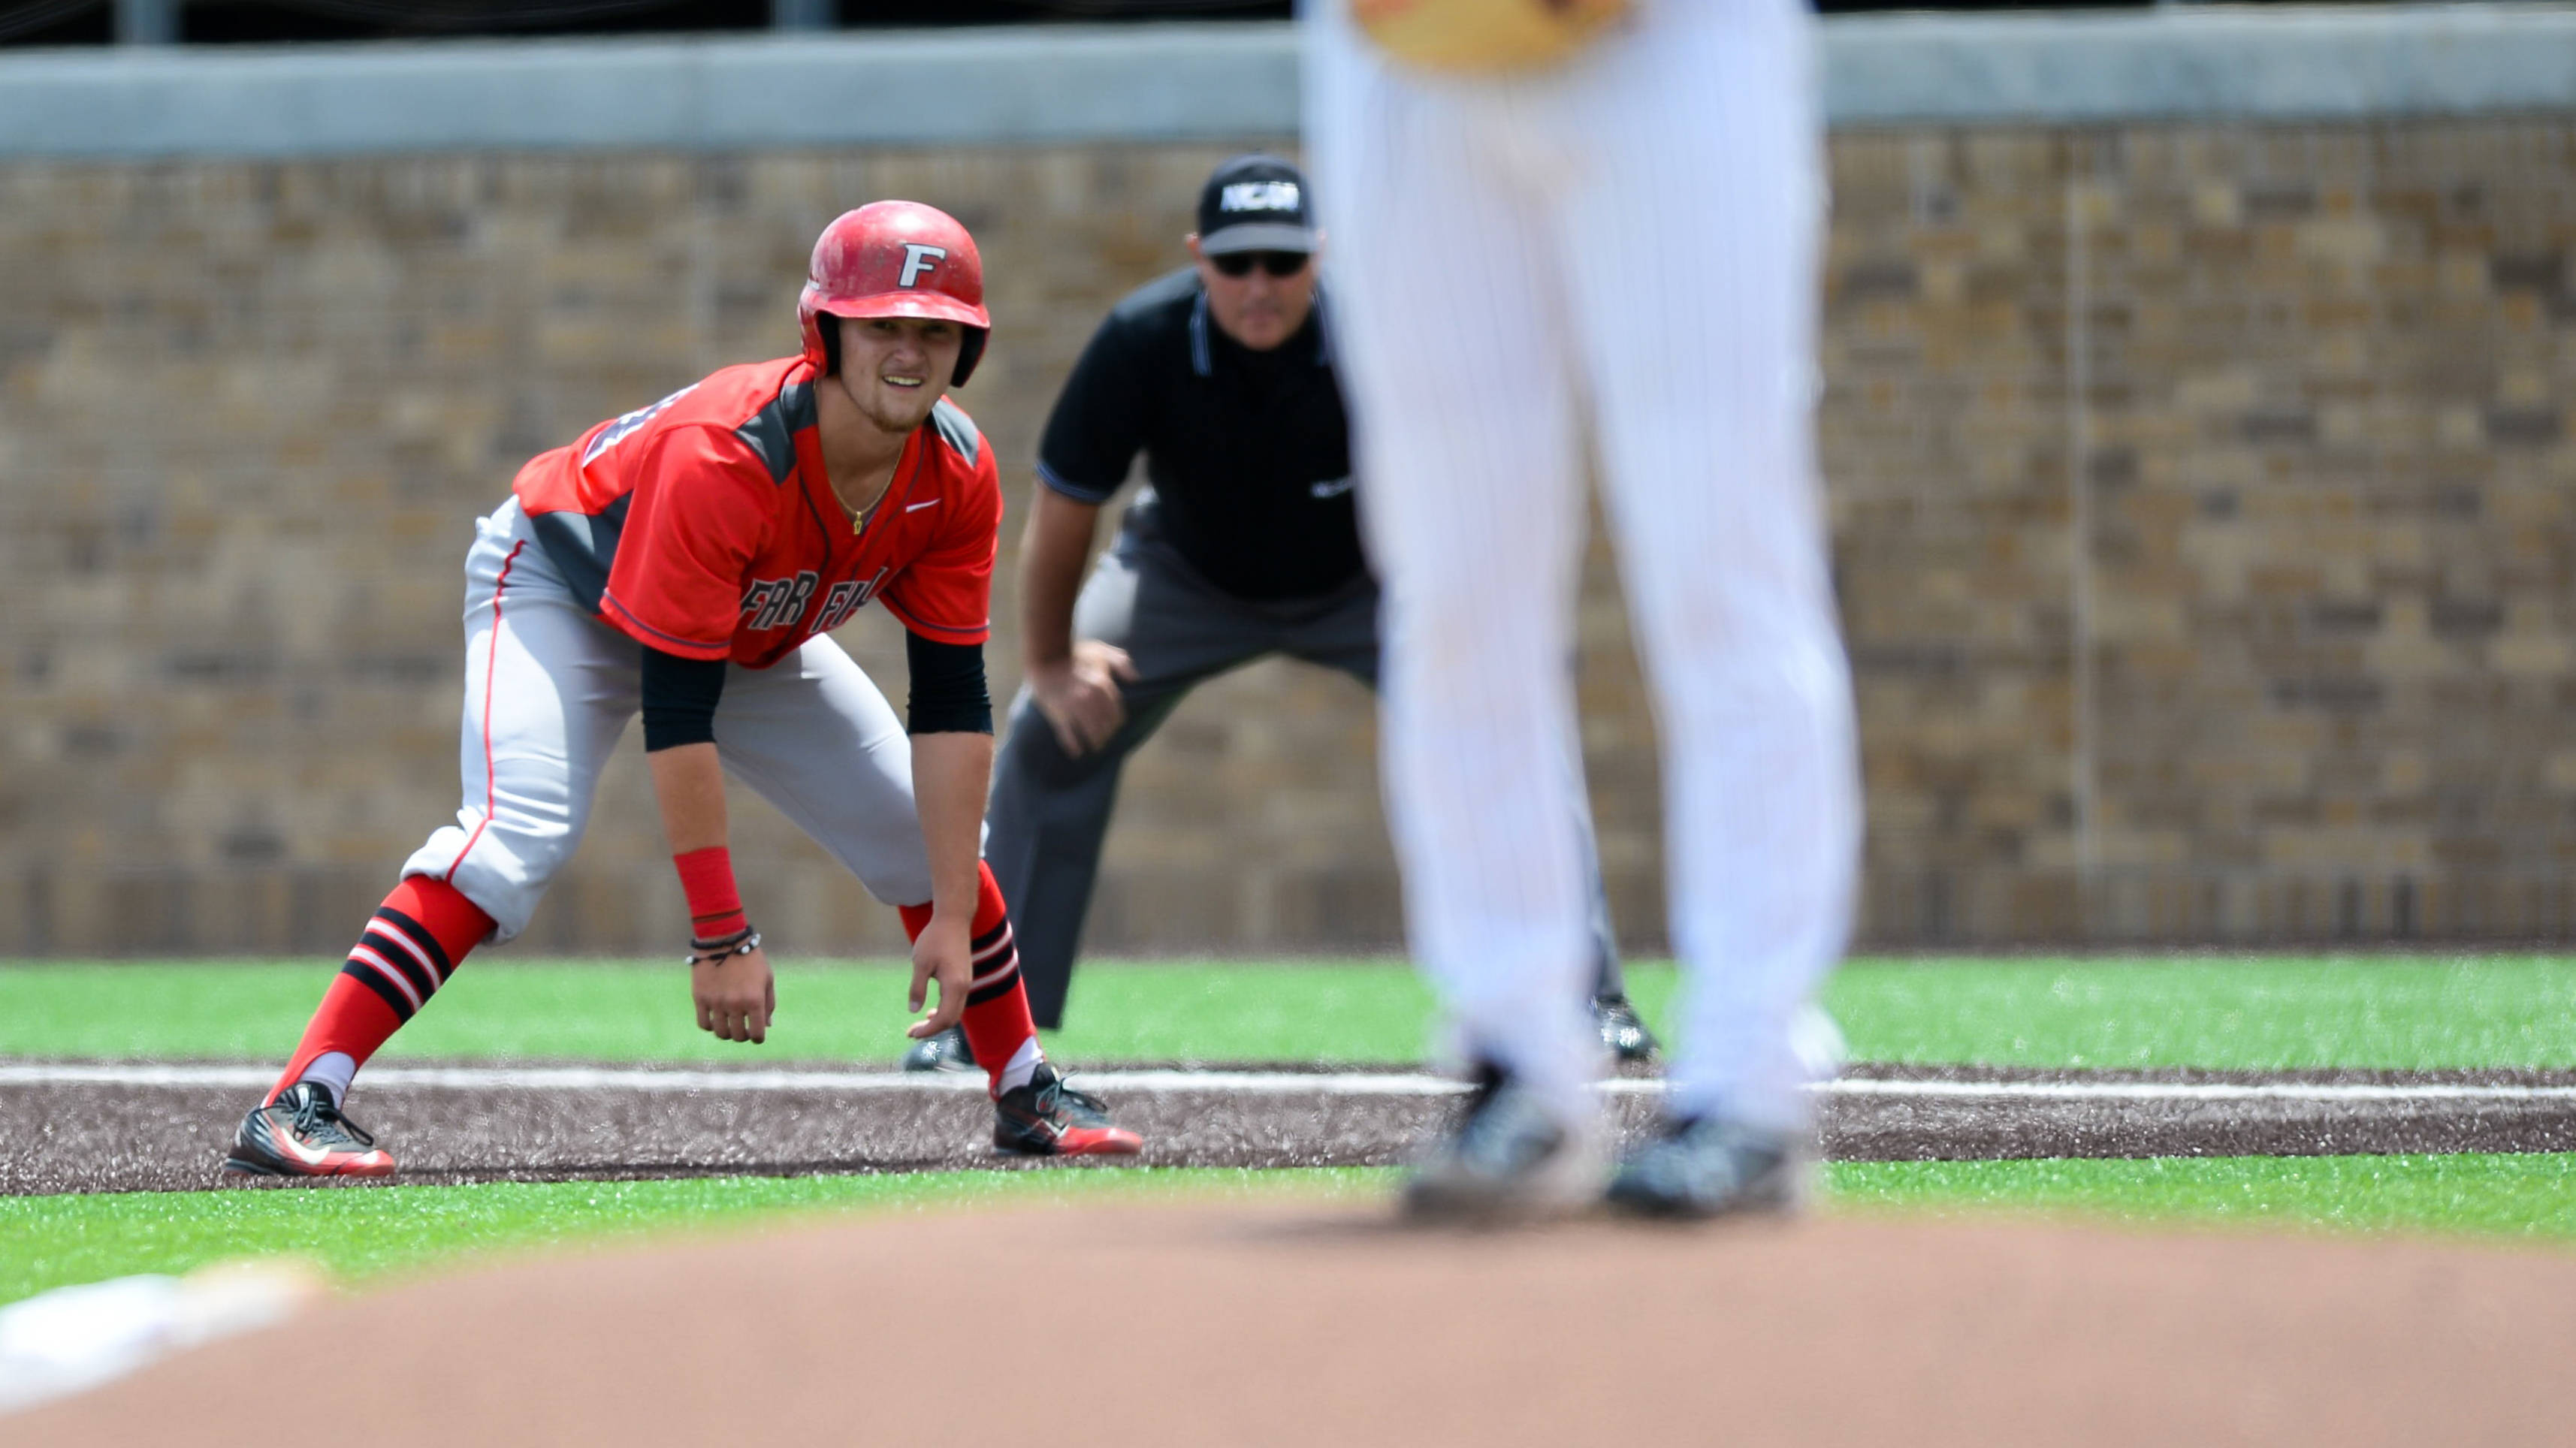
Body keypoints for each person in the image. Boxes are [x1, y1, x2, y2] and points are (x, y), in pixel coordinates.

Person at [221, 201, 1143, 1180]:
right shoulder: (728, 453)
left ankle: (1023, 1091)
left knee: (940, 846)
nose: (909, 352)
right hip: (562, 585)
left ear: (967, 347)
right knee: (511, 842)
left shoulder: (956, 468)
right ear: (825, 332)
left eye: (934, 329)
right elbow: (676, 713)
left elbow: (954, 696)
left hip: (737, 628)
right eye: (883, 325)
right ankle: (299, 1100)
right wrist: (720, 936)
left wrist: (954, 914)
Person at [897, 154, 1658, 1076]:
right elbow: (1065, 505)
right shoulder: (1141, 339)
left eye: (1283, 263)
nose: (1260, 285)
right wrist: (1054, 664)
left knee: (1513, 725)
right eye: (1236, 263)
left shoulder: (1384, 332)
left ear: (1319, 259)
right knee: (1046, 736)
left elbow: (1476, 476)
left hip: (1372, 579)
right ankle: (987, 1024)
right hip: (1185, 573)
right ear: (1199, 259)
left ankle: (1590, 997)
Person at [1303, 0, 1862, 1219]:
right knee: (1452, 585)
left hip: (1672, 41)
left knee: (1720, 553)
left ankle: (1746, 1078)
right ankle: (1514, 1054)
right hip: (1403, 50)